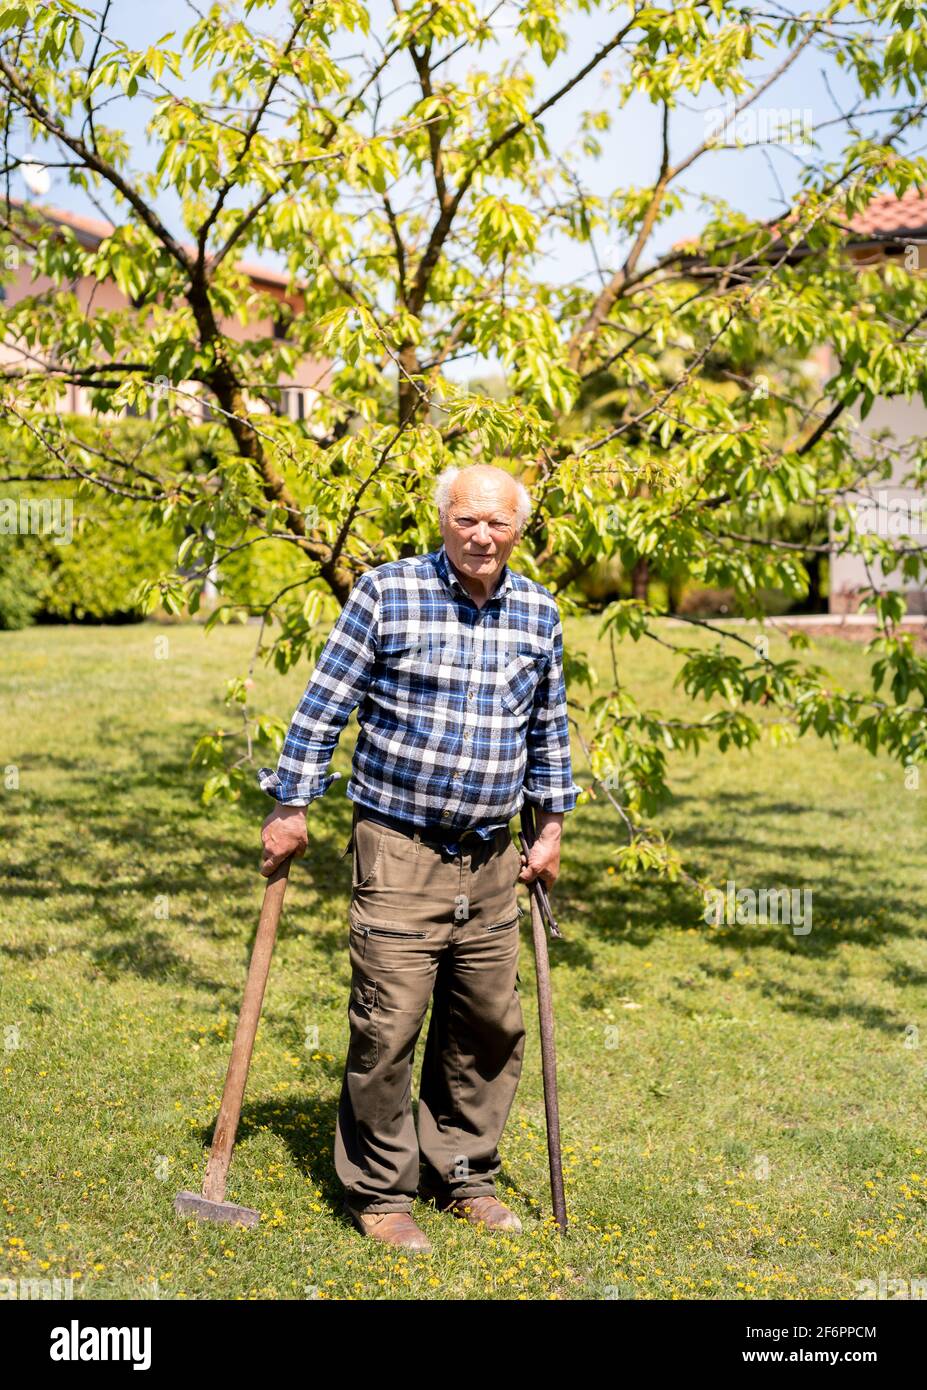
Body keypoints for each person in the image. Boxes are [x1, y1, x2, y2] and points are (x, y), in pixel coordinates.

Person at [258, 463, 579, 1251]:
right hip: (399, 847)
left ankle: (462, 1173)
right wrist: (292, 805)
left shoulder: (537, 611)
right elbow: (323, 703)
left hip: (492, 854)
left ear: (518, 529)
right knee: (388, 1025)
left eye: (497, 523)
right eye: (467, 519)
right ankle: (382, 1191)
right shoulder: (387, 593)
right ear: (441, 518)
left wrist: (550, 827)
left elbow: (548, 727)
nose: (481, 535)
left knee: (487, 1025)